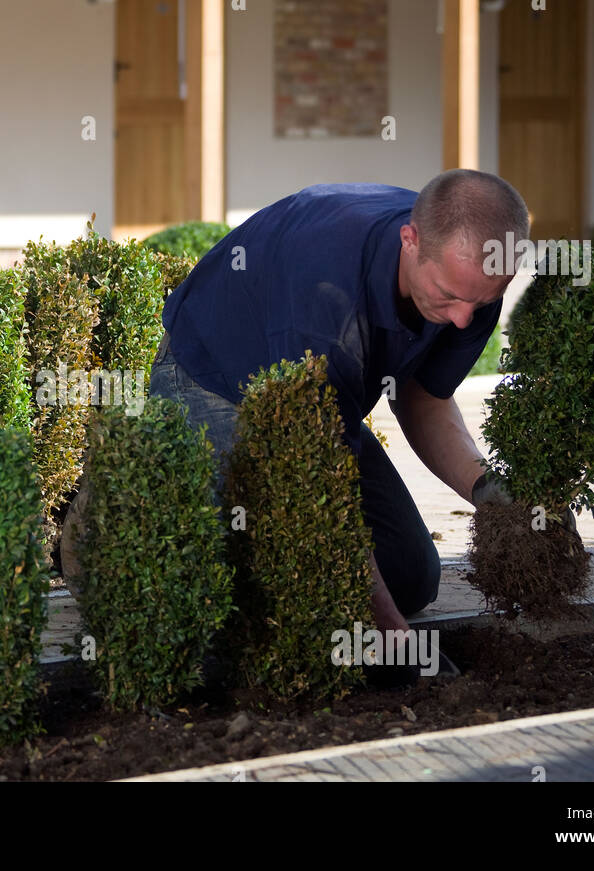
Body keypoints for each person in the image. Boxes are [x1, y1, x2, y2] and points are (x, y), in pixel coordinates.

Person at [64, 169, 553, 680]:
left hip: (315, 402)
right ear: (411, 242)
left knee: (411, 579)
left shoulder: (471, 280)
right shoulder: (327, 300)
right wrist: (394, 645)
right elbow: (314, 473)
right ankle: (103, 525)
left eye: (479, 302)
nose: (461, 319)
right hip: (213, 375)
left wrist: (488, 491)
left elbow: (425, 398)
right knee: (226, 590)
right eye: (450, 296)